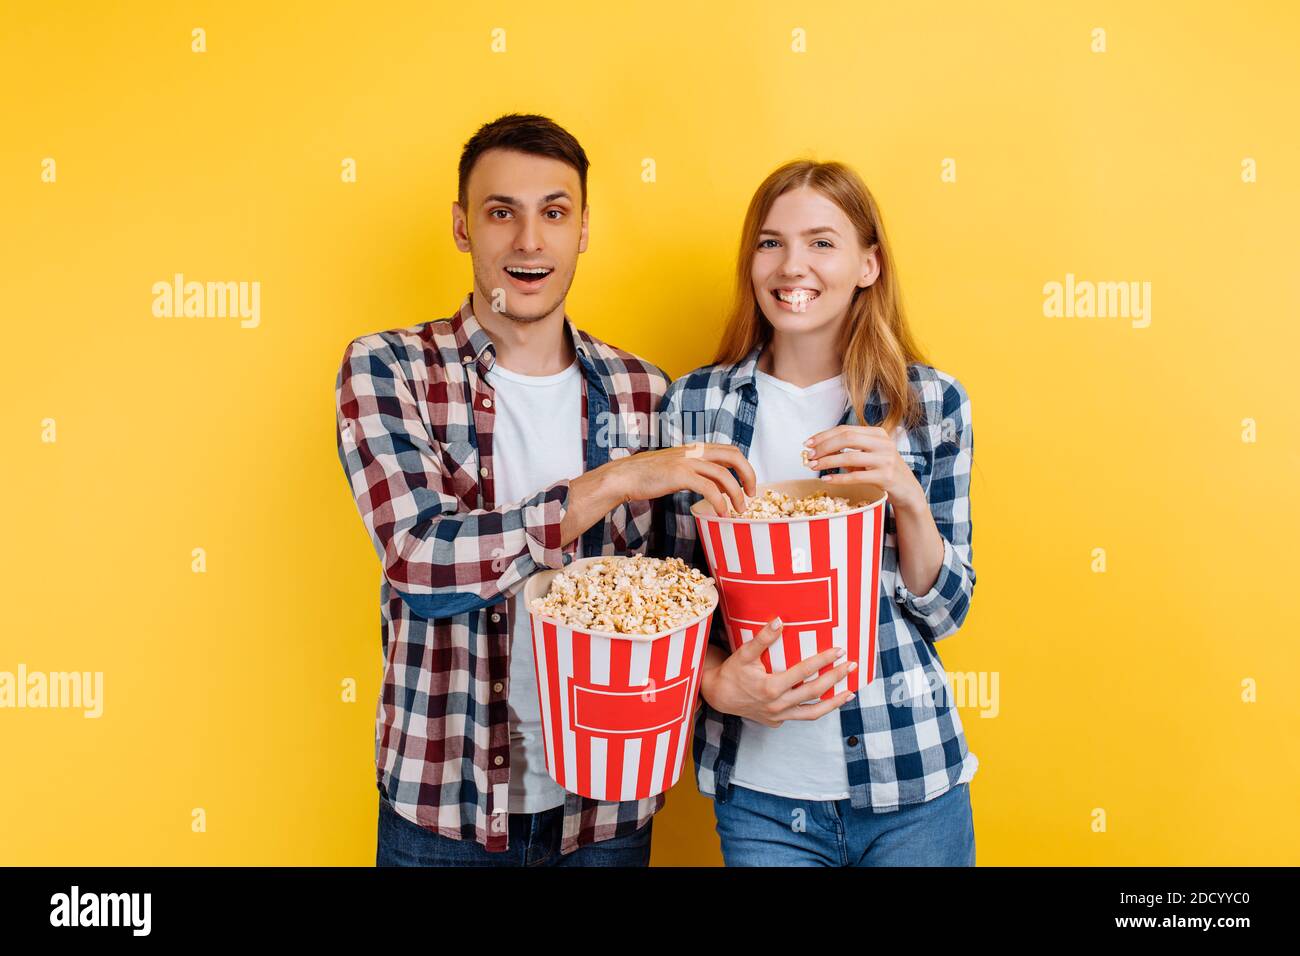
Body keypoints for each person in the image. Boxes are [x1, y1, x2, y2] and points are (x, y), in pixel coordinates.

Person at [334, 113, 754, 866]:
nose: (529, 242)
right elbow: (420, 564)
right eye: (502, 213)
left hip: (605, 812)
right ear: (463, 227)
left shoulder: (641, 391)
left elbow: (684, 594)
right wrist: (611, 483)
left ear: (583, 229)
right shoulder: (389, 368)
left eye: (554, 213)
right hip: (443, 805)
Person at [658, 159, 978, 866]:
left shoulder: (928, 407)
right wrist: (716, 680)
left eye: (821, 242)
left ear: (869, 264)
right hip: (761, 793)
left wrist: (906, 496)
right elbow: (671, 603)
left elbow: (947, 613)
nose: (790, 264)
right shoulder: (694, 405)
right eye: (770, 242)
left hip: (911, 782)